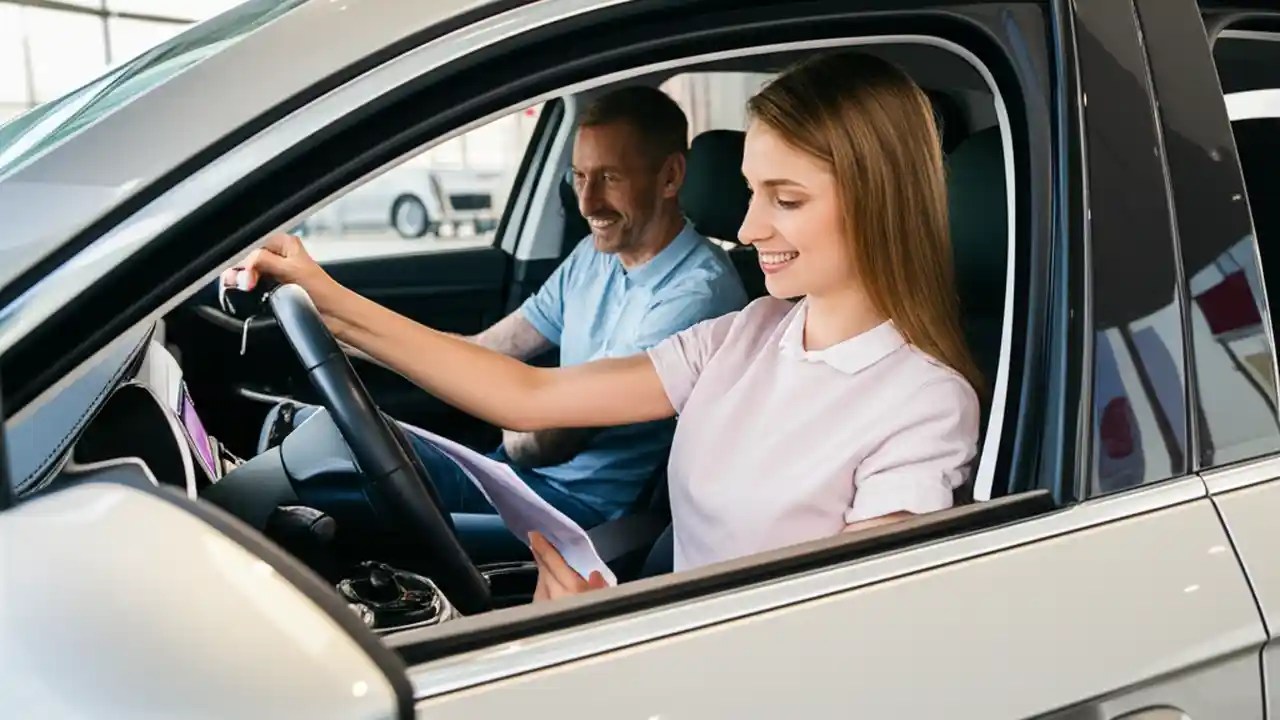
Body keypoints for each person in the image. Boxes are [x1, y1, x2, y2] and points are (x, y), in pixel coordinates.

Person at [226, 50, 983, 601]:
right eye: (751, 192)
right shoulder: (748, 333)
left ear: (878, 201)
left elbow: (851, 631)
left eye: (785, 199)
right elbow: (526, 394)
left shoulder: (923, 404)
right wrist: (325, 296)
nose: (748, 228)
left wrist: (613, 626)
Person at [262, 85, 748, 532]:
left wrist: (501, 403)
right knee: (318, 439)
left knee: (331, 506)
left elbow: (551, 437)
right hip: (514, 472)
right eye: (579, 177)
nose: (587, 202)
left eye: (610, 178)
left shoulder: (696, 296)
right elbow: (491, 348)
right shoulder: (595, 257)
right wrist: (335, 331)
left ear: (670, 177)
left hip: (576, 514)